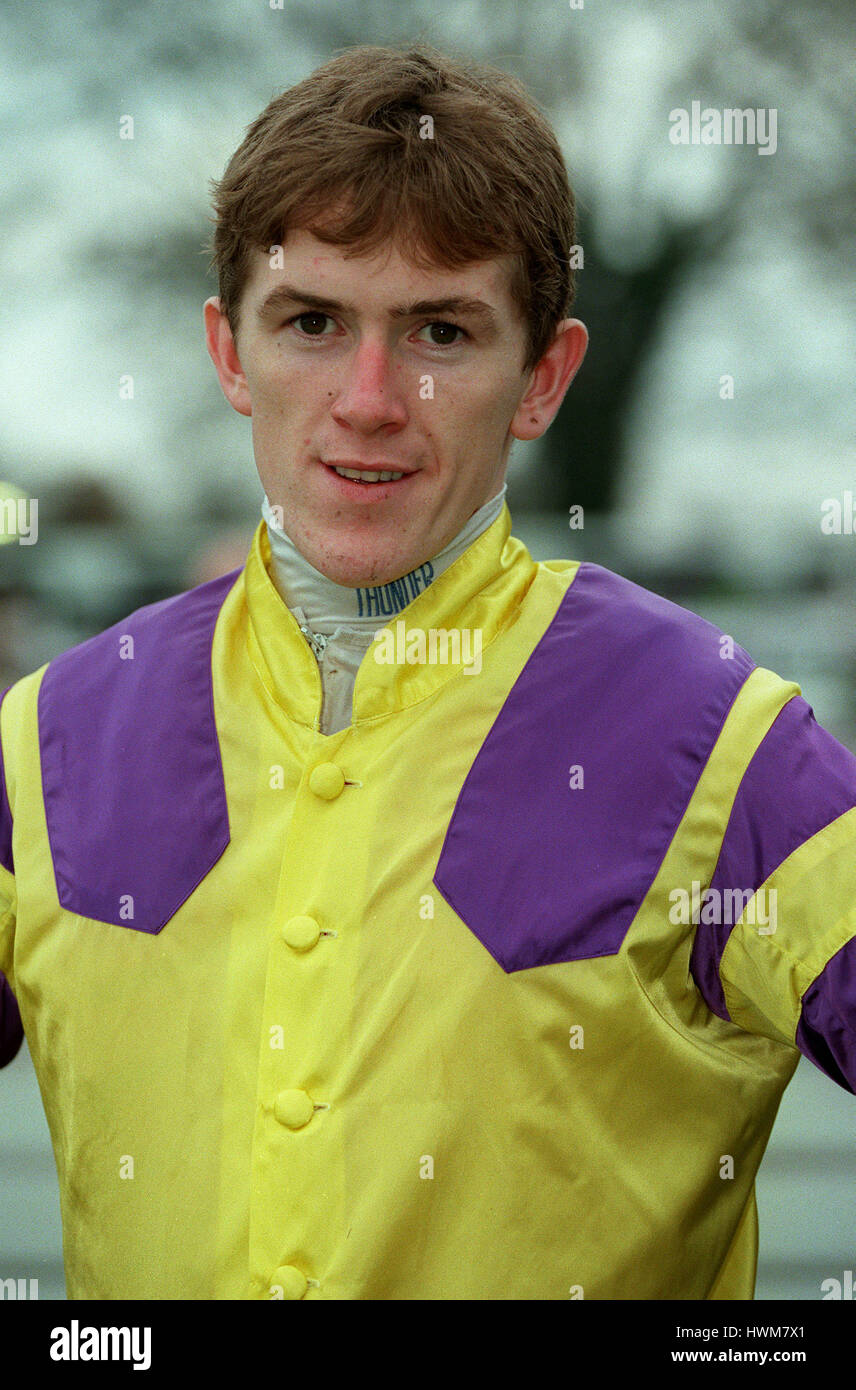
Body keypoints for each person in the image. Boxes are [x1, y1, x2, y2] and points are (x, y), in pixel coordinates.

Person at [0, 41, 854, 1302]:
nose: (367, 398)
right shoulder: (48, 739)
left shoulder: (724, 741)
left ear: (543, 377)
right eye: (310, 322)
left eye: (440, 330)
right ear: (229, 353)